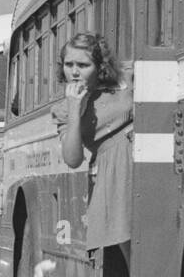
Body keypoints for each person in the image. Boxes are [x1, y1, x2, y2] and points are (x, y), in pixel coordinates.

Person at [50, 32, 133, 257]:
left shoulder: (126, 80)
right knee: (130, 249)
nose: (74, 72)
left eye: (83, 65)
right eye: (69, 64)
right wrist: (75, 108)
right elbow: (73, 158)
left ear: (99, 66)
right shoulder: (64, 109)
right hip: (112, 172)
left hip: (140, 158)